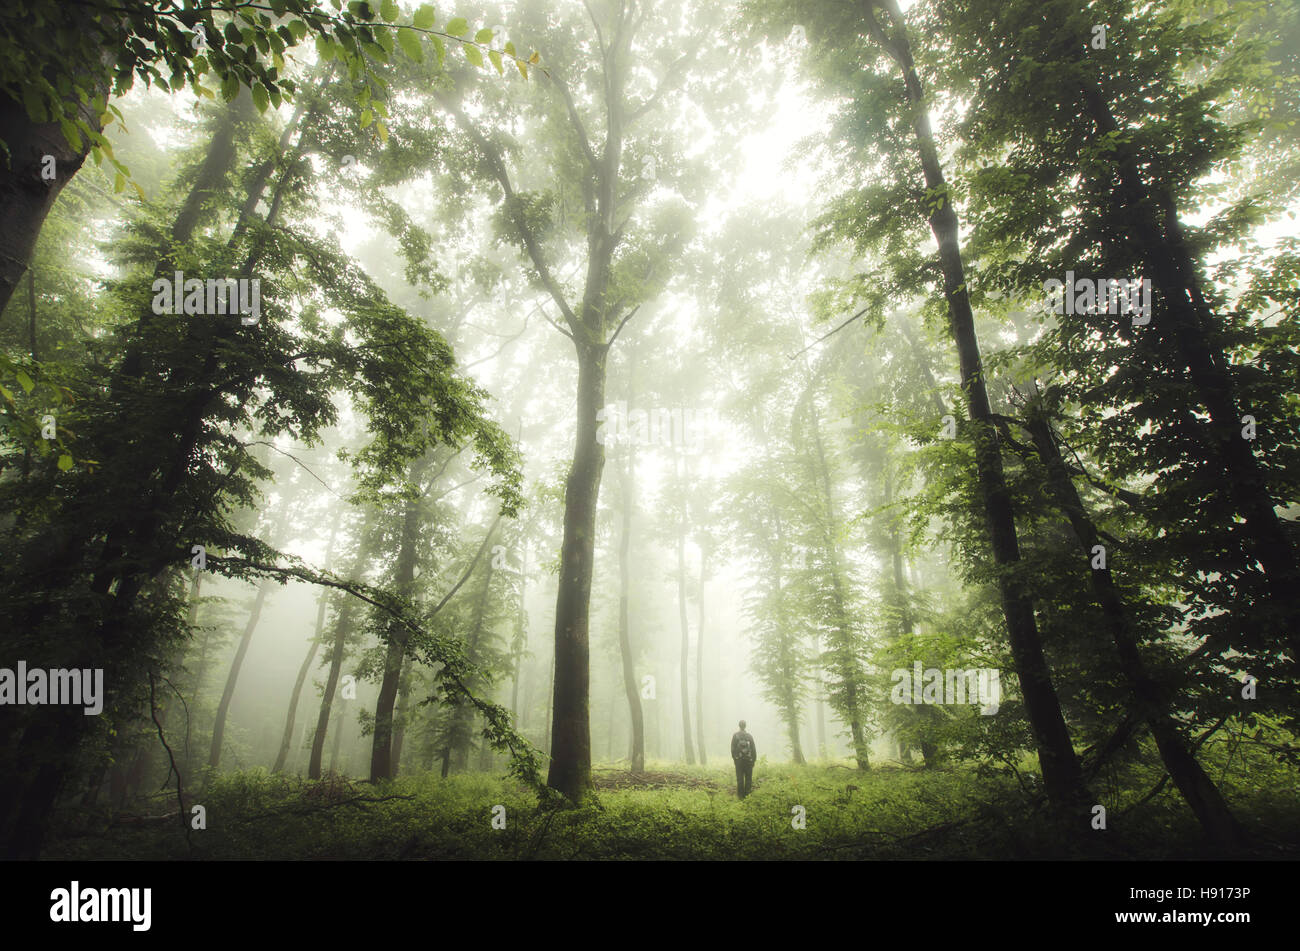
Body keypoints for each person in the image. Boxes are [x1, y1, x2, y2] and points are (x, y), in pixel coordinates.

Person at [731, 720, 756, 798]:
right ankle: (747, 795)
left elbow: (732, 749)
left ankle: (740, 796)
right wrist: (753, 760)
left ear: (739, 726)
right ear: (745, 726)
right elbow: (753, 749)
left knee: (740, 779)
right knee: (748, 779)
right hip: (748, 761)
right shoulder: (749, 736)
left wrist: (735, 759)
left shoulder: (735, 735)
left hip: (739, 761)